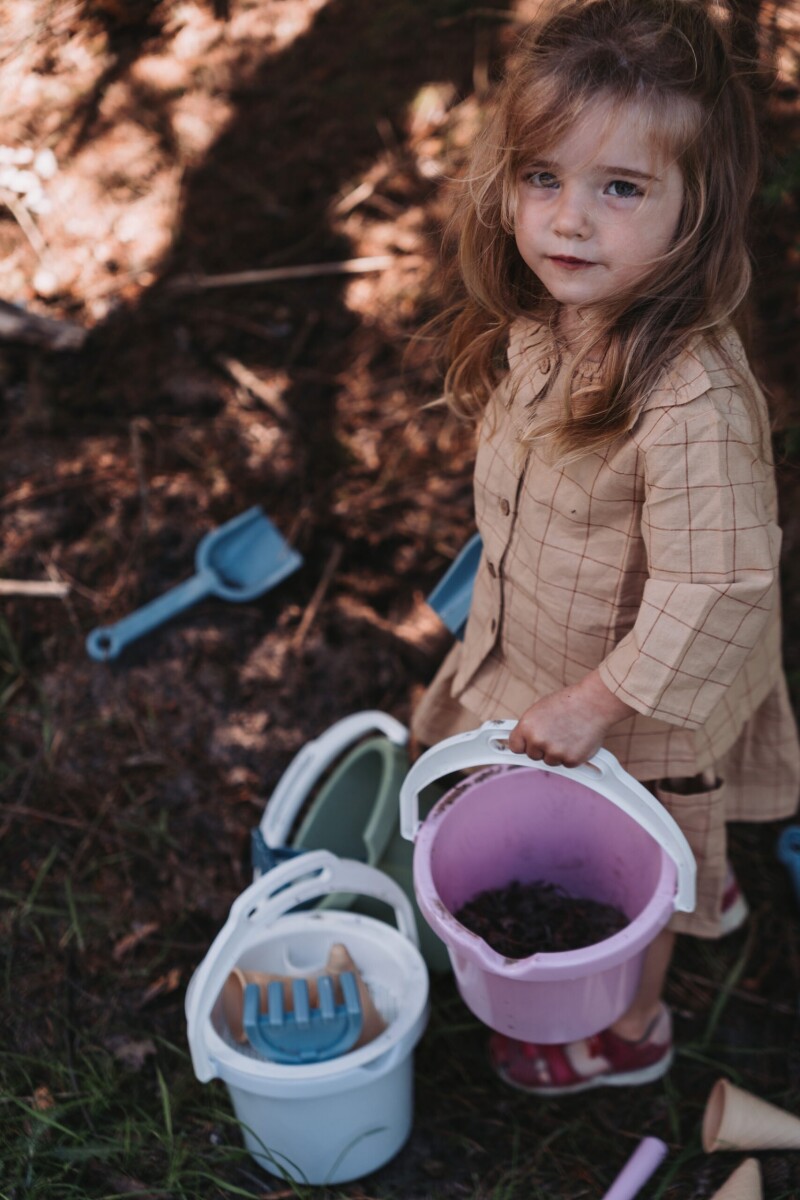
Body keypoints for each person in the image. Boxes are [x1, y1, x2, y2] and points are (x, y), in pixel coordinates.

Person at [411, 0, 800, 1094]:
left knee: (643, 856)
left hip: (632, 700)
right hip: (543, 647)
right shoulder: (553, 322)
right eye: (543, 179)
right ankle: (701, 871)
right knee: (616, 826)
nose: (568, 222)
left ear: (694, 206)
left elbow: (717, 580)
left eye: (618, 188)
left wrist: (594, 702)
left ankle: (627, 1027)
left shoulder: (687, 400)